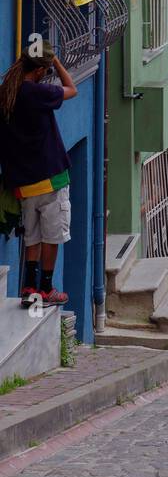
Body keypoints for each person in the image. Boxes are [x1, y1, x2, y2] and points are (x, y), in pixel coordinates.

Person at [0, 46, 77, 308]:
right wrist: (56, 59)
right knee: (52, 237)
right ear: (41, 70)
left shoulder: (7, 94)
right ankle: (46, 289)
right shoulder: (38, 92)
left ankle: (28, 288)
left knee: (32, 237)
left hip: (22, 185)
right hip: (50, 180)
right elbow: (71, 89)